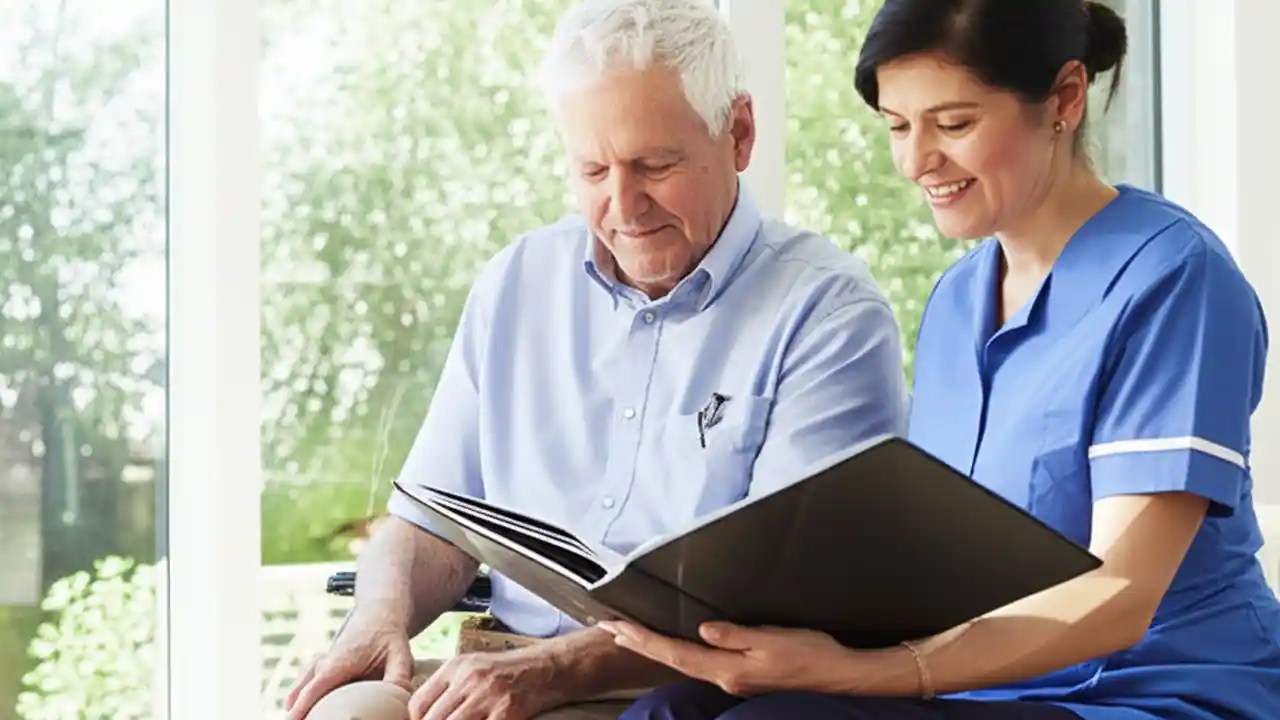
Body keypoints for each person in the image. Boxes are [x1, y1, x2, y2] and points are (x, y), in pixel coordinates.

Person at [605, 1, 1280, 718]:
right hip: (981, 692)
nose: (916, 160)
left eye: (953, 124)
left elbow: (1119, 597)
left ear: (1066, 98)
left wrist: (858, 674)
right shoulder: (958, 299)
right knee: (670, 711)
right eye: (898, 126)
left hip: (1145, 695)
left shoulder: (1174, 278)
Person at [284, 1, 910, 718]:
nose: (623, 206)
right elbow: (431, 523)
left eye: (655, 164)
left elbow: (778, 602)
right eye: (593, 169)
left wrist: (552, 672)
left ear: (739, 133)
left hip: (679, 692)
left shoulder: (827, 315)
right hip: (499, 666)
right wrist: (379, 616)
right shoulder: (518, 283)